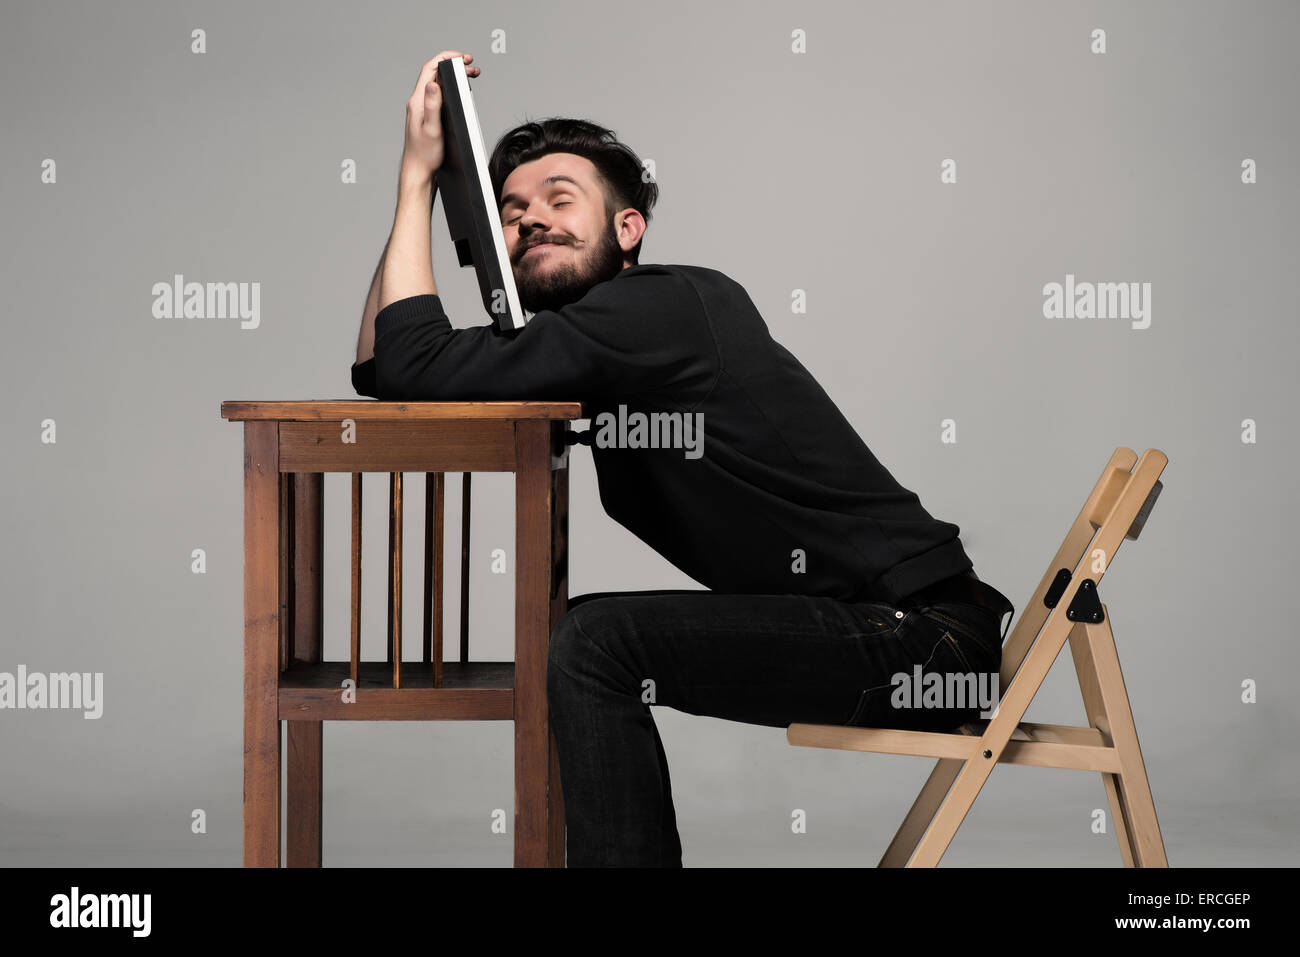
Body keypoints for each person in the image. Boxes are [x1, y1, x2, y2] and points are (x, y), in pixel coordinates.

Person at [351, 52, 1015, 867]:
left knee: (595, 641)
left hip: (928, 642)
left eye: (562, 201)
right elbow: (385, 365)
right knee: (588, 635)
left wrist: (418, 182)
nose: (532, 219)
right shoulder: (588, 352)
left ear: (628, 228)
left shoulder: (659, 306)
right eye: (512, 211)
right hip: (898, 631)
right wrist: (416, 196)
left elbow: (411, 360)